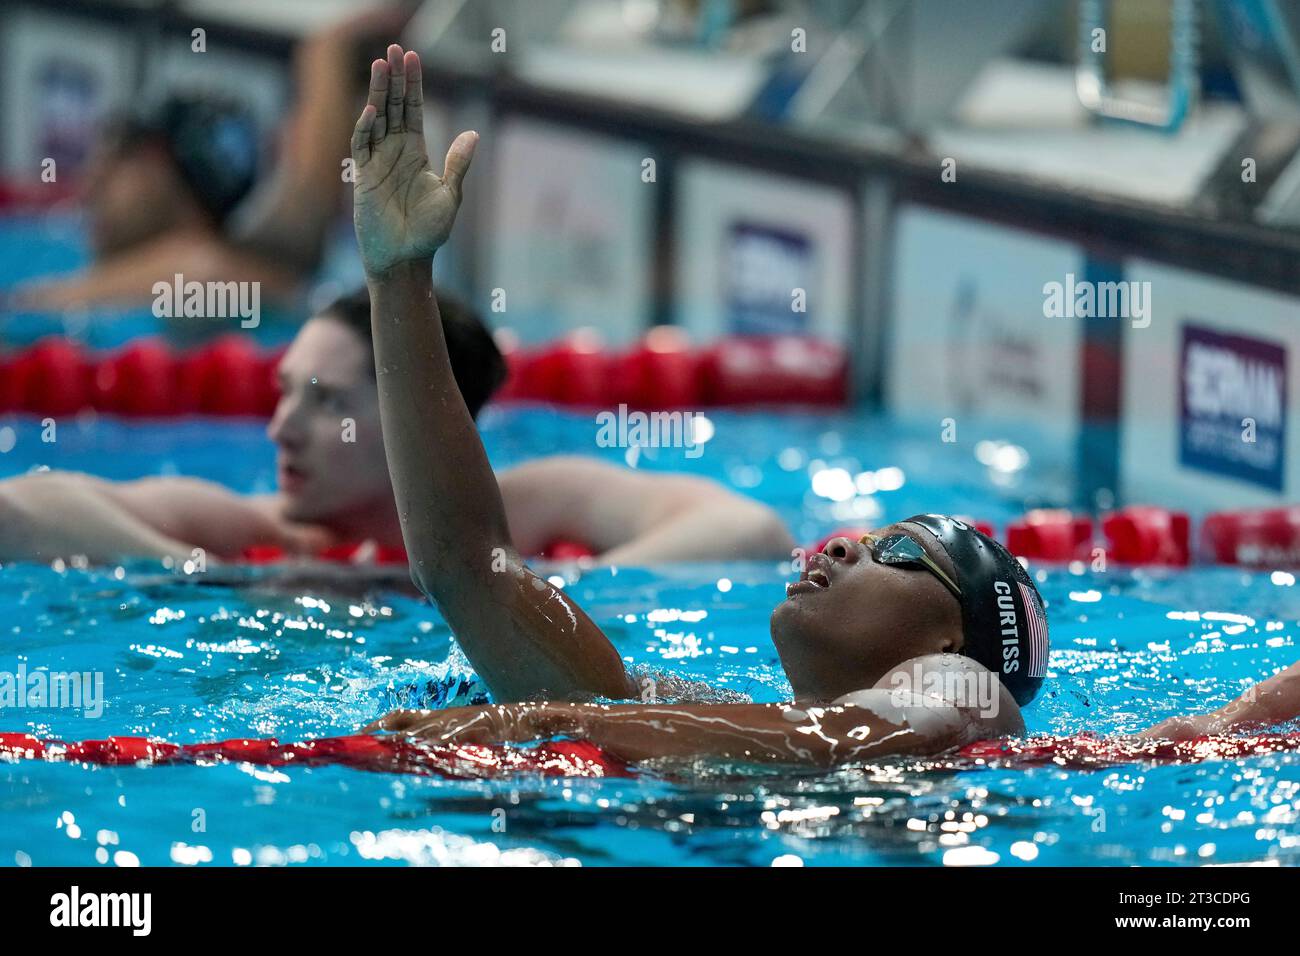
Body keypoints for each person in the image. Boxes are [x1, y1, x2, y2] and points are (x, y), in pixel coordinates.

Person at [350, 44, 1300, 767]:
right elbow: (473, 571)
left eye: (899, 554)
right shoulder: (689, 713)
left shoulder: (962, 692)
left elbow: (838, 741)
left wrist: (544, 722)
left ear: (947, 634)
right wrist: (400, 282)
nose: (844, 541)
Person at [0, 285, 795, 567]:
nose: (280, 429)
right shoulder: (267, 534)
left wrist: (550, 595)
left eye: (327, 403)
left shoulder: (522, 509)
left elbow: (750, 528)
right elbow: (24, 509)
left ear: (427, 423)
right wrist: (199, 572)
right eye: (283, 394)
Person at [12, 8, 409, 313]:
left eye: (118, 159)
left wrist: (33, 304)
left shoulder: (199, 272)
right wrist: (326, 57)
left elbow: (207, 262)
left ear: (161, 170)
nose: (92, 183)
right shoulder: (258, 268)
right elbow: (307, 199)